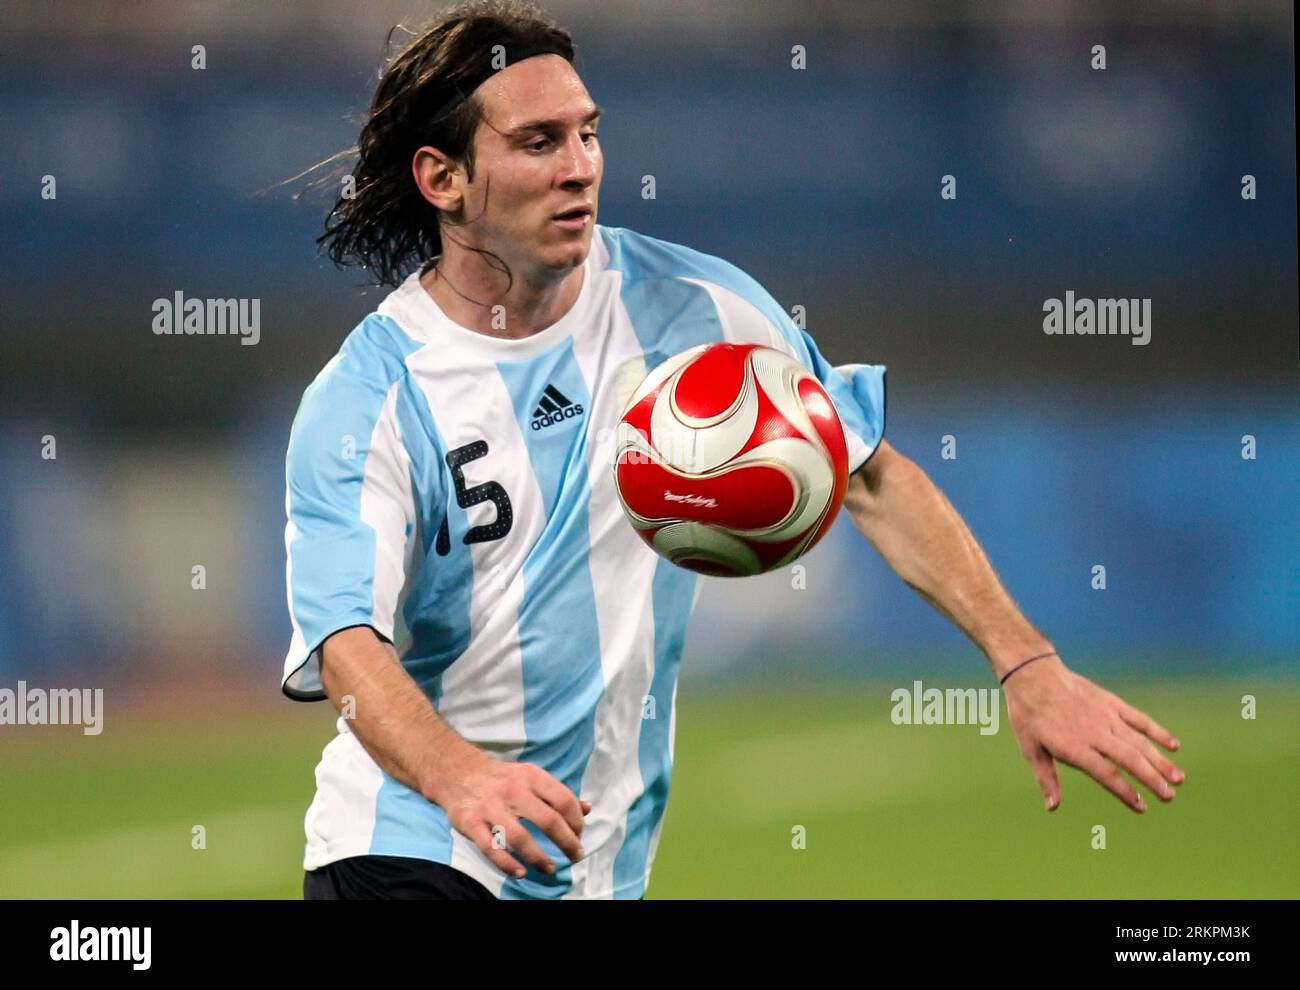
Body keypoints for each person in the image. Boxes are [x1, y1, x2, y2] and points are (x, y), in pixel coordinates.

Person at [282, 0, 1184, 900]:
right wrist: (461, 778)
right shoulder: (369, 401)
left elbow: (869, 476)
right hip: (412, 849)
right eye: (538, 142)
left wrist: (1025, 661)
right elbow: (346, 642)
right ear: (442, 178)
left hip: (589, 866)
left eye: (588, 134)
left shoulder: (697, 309)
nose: (579, 167)